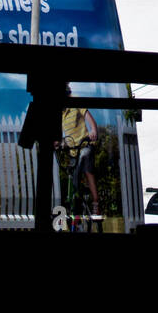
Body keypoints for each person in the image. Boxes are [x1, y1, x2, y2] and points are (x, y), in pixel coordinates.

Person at [58, 84, 101, 217]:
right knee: (73, 178)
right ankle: (76, 202)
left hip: (85, 144)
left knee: (86, 162)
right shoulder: (60, 113)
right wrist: (59, 143)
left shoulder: (75, 101)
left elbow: (90, 119)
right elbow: (60, 136)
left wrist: (93, 130)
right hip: (73, 150)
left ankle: (96, 202)